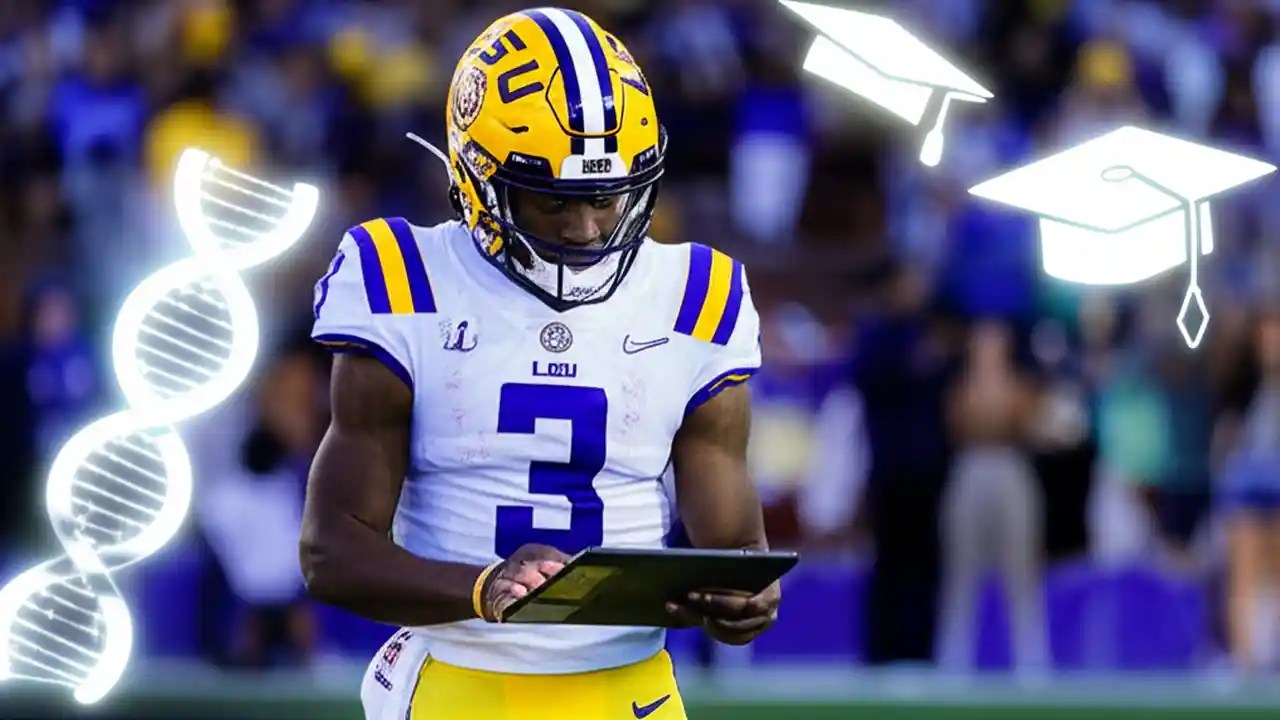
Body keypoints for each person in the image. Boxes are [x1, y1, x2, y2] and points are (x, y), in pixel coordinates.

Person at [300, 8, 778, 720]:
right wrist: (482, 588)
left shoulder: (696, 296)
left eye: (605, 197)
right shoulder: (402, 278)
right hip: (462, 679)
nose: (586, 228)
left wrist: (743, 597)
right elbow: (331, 551)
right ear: (476, 175)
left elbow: (738, 546)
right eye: (553, 200)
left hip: (632, 689)